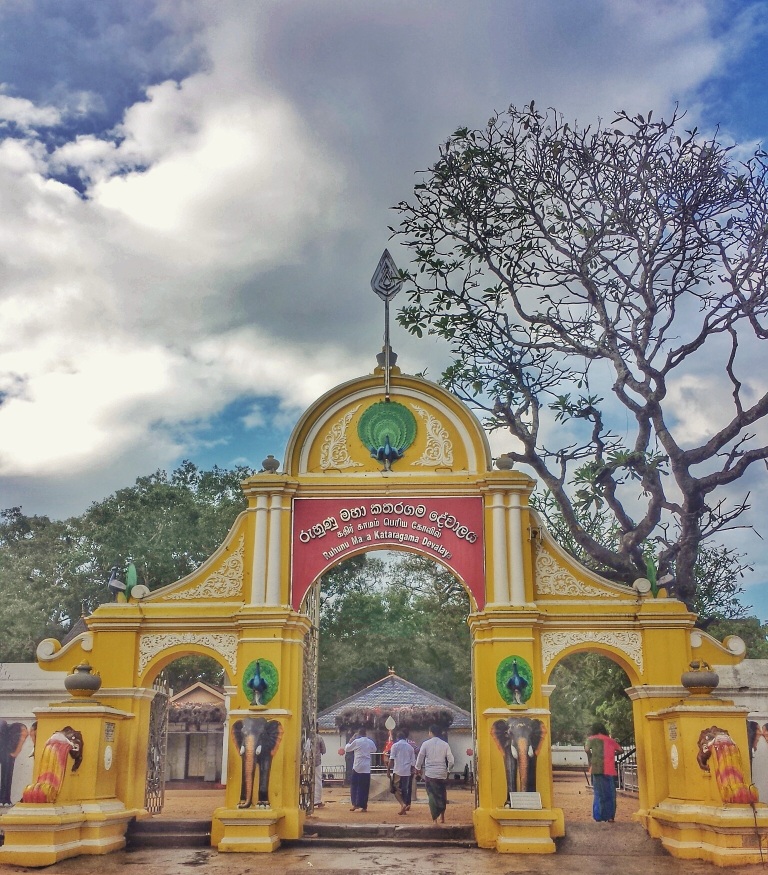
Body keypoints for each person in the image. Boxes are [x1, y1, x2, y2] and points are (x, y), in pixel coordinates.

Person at [584, 721, 623, 822]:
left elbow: (587, 749)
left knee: (599, 793)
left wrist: (591, 757)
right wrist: (612, 755)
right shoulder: (610, 740)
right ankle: (610, 816)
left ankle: (599, 816)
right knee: (610, 793)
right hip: (609, 769)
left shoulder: (590, 739)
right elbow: (621, 750)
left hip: (596, 768)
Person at [415, 724, 454, 824]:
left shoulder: (425, 744)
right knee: (442, 795)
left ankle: (435, 819)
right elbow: (451, 761)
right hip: (441, 774)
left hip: (430, 774)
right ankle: (442, 817)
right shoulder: (445, 745)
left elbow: (420, 757)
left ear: (431, 732)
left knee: (431, 795)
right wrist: (448, 771)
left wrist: (418, 768)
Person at [344, 728, 377, 812]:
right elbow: (374, 749)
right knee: (365, 787)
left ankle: (355, 804)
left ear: (359, 734)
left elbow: (347, 749)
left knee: (355, 786)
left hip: (357, 766)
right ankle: (364, 806)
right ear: (366, 734)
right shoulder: (370, 741)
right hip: (366, 767)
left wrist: (350, 740)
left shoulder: (357, 741)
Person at [387, 730, 417, 815]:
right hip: (407, 772)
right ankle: (404, 807)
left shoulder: (395, 746)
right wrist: (412, 771)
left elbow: (391, 760)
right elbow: (413, 762)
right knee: (405, 790)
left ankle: (402, 804)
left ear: (397, 738)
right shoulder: (410, 747)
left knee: (394, 789)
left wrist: (388, 770)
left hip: (398, 771)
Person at [313, 725, 326, 808]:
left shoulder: (305, 736)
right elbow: (324, 750)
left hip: (305, 762)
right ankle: (317, 801)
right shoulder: (319, 738)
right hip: (316, 762)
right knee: (317, 781)